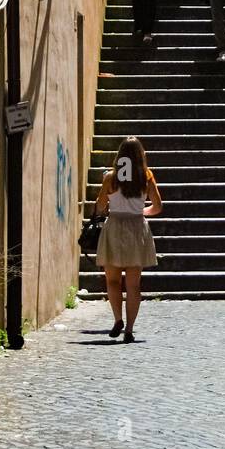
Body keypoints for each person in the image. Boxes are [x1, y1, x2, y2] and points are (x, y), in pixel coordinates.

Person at [94, 136, 162, 342]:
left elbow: (99, 206)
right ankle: (130, 330)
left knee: (112, 280)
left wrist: (110, 207)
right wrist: (142, 212)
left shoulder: (111, 178)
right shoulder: (146, 177)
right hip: (136, 228)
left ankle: (117, 319)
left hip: (114, 227)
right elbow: (158, 207)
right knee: (134, 284)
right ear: (141, 156)